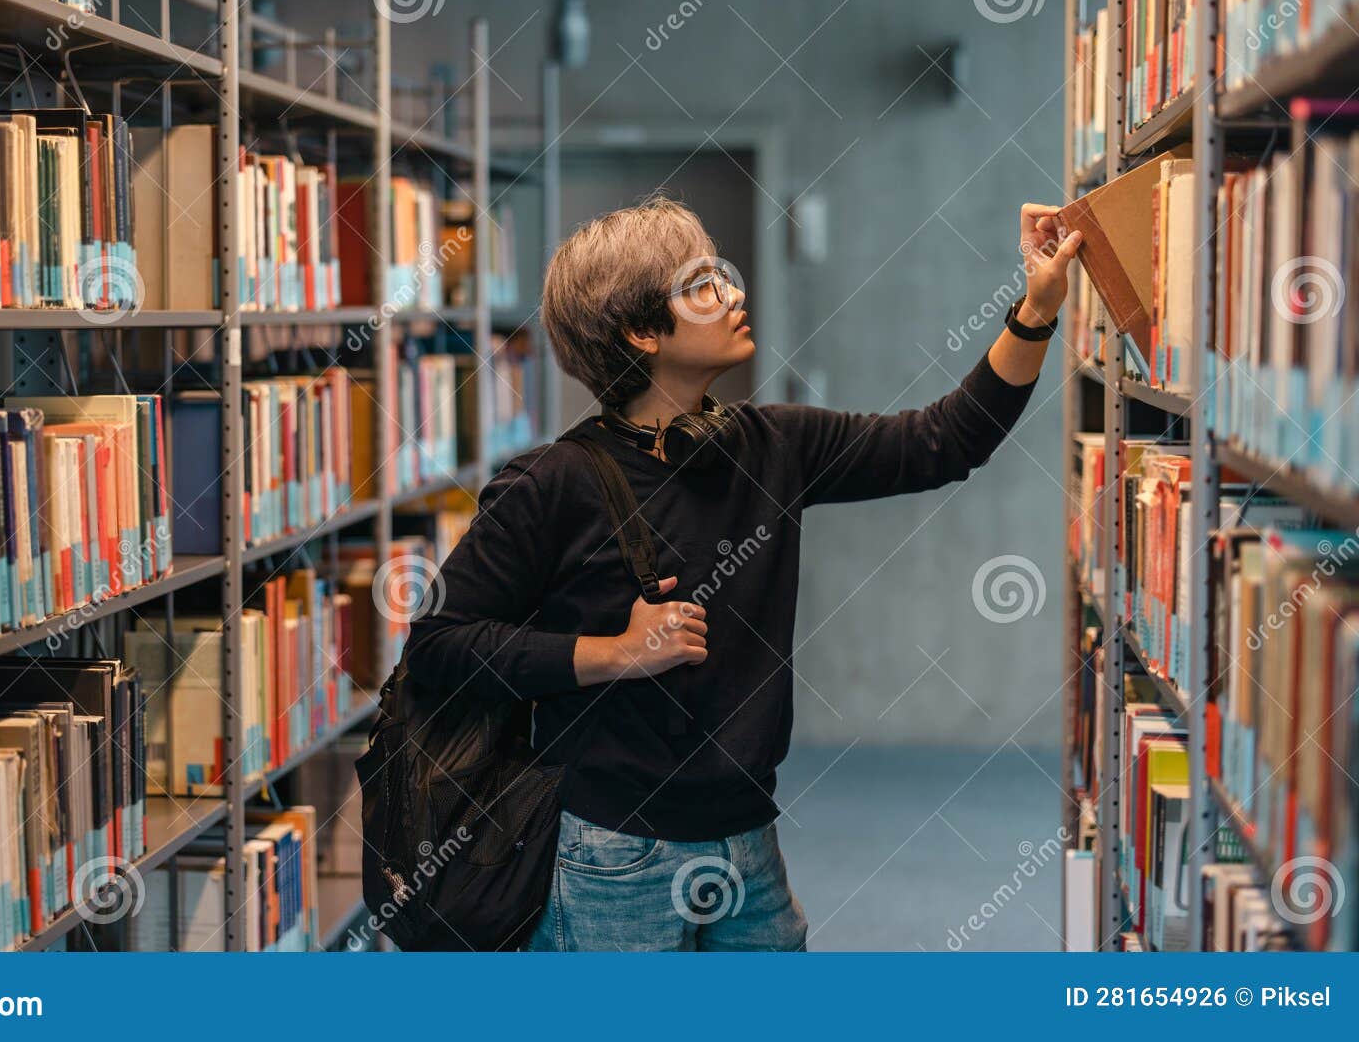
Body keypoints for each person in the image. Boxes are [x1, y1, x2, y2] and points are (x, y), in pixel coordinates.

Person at [399, 193, 1082, 951]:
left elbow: (946, 440)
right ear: (639, 331)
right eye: (702, 286)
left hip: (748, 838)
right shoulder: (550, 484)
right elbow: (438, 646)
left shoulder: (771, 444)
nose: (734, 294)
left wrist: (1036, 307)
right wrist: (610, 653)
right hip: (609, 855)